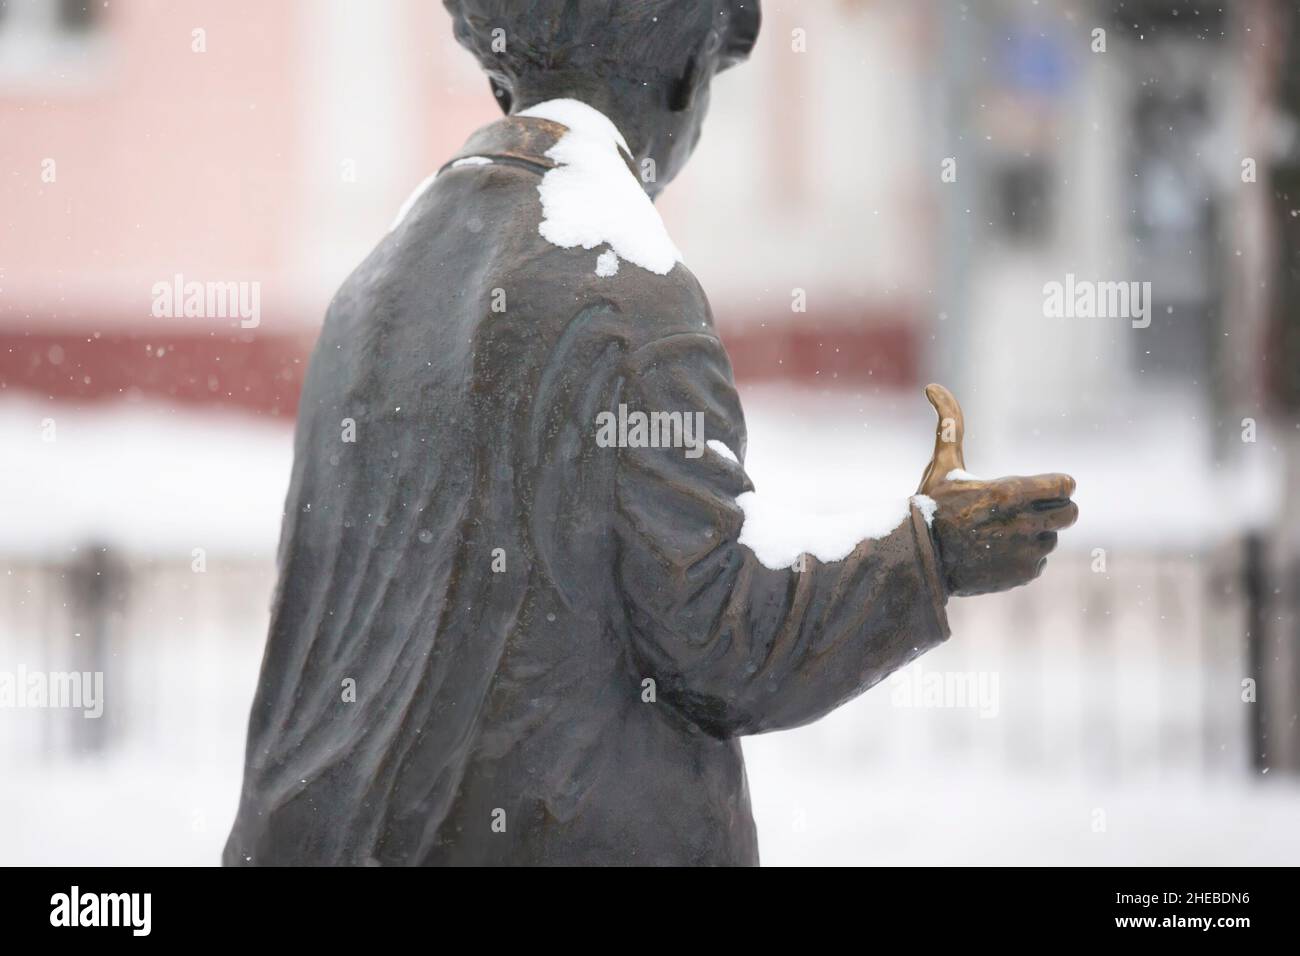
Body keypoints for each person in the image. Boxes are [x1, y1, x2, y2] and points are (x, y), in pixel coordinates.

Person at [224, 0, 1077, 866]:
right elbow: (722, 645)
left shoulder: (371, 290)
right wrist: (932, 554)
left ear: (500, 76)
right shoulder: (625, 292)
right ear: (682, 80)